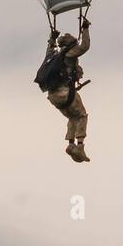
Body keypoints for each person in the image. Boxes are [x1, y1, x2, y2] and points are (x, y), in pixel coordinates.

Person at [45, 17, 91, 162]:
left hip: (53, 96)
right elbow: (85, 46)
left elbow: (49, 48)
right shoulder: (69, 54)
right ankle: (80, 146)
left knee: (72, 116)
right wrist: (85, 28)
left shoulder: (53, 55)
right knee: (81, 115)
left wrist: (52, 38)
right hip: (65, 94)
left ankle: (70, 145)